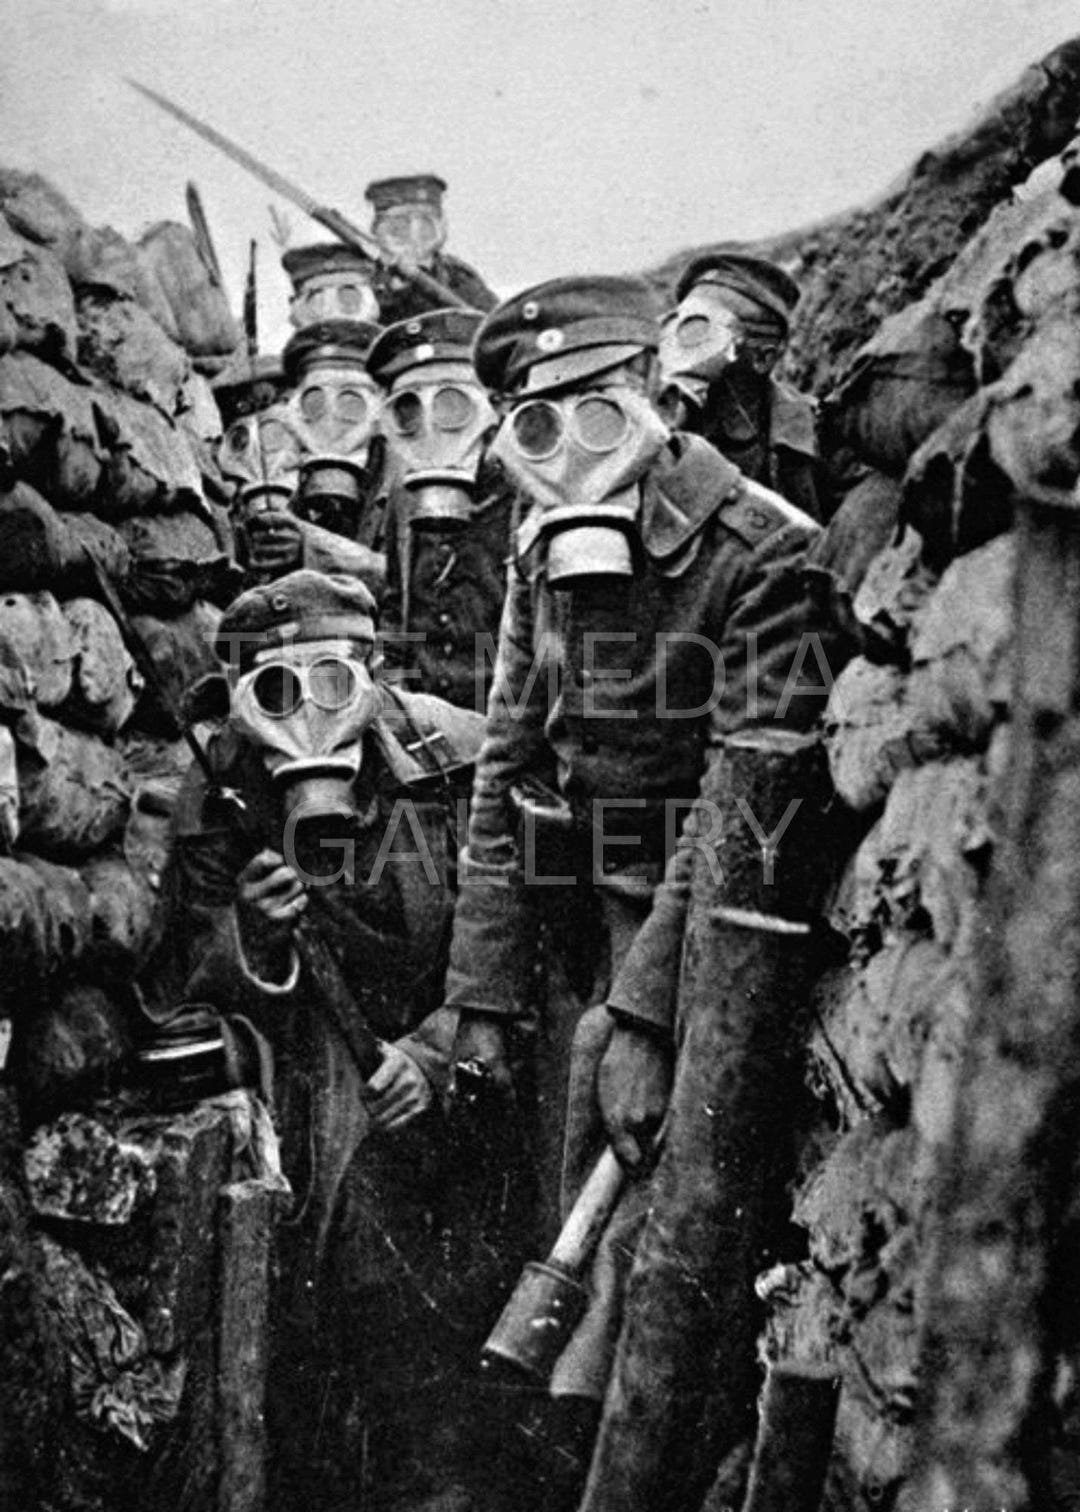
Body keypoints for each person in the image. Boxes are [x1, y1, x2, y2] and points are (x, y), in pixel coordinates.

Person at [437, 273, 835, 1506]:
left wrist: (651, 1018)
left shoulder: (767, 550)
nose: (569, 455)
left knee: (653, 1277)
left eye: (599, 414)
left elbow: (743, 799)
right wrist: (481, 994)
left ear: (662, 402)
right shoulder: (535, 550)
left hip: (711, 945)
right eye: (534, 427)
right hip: (582, 937)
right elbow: (506, 759)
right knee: (564, 1237)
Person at [152, 568, 485, 1511]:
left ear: (376, 678)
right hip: (320, 1074)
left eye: (336, 683)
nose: (311, 713)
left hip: (461, 1065)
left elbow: (520, 947)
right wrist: (250, 936)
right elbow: (180, 979)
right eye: (278, 691)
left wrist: (438, 1052)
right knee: (356, 1246)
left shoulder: (454, 760)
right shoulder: (220, 786)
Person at [367, 306, 517, 711]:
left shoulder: (530, 492)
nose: (430, 423)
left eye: (453, 404)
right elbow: (397, 611)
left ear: (494, 409)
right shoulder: (405, 494)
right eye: (409, 409)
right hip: (429, 721)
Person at [659, 249, 831, 520]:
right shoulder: (652, 434)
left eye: (703, 333)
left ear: (763, 358)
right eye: (679, 328)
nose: (684, 350)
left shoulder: (820, 434)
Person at [223, 321, 389, 596]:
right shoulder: (300, 492)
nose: (331, 418)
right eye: (314, 402)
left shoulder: (412, 476)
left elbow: (428, 585)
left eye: (351, 401)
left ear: (381, 407)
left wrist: (311, 547)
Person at [364, 174, 498, 324]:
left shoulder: (459, 277)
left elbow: (494, 326)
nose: (413, 235)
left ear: (441, 226)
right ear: (376, 230)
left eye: (425, 226)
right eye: (398, 228)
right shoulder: (363, 276)